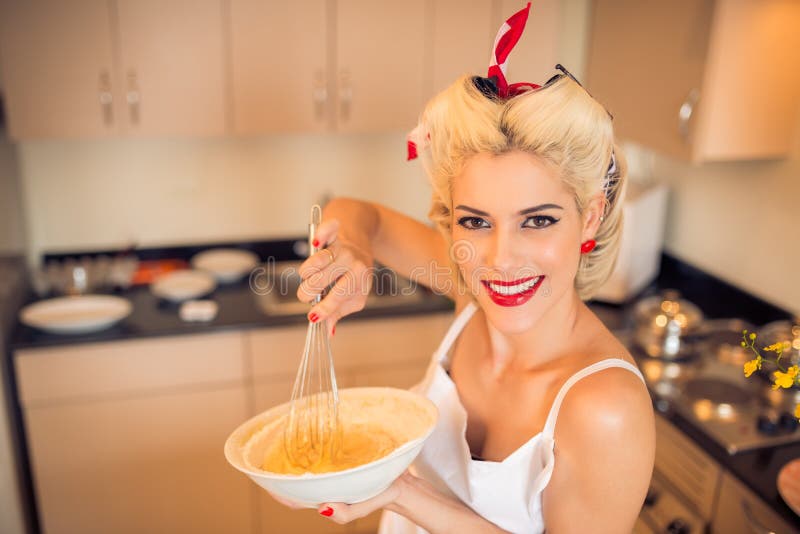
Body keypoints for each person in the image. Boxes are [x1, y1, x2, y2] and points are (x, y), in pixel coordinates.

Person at [284, 4, 655, 533]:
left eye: (538, 220)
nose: (500, 260)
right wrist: (356, 252)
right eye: (476, 222)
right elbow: (357, 213)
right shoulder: (468, 292)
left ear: (590, 216)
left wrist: (404, 494)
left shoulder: (604, 407)